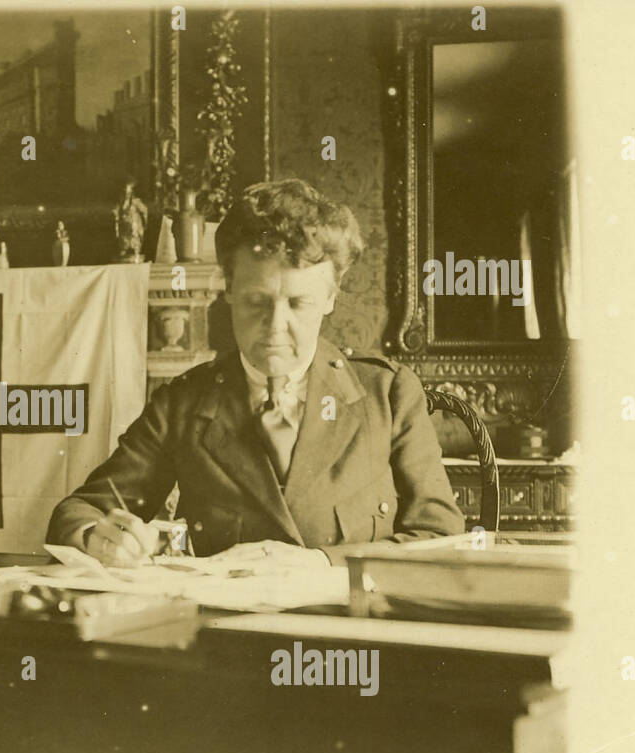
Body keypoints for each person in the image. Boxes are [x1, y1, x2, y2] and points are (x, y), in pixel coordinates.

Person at [47, 178, 464, 570]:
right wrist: (96, 537)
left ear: (330, 298)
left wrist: (320, 564)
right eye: (256, 302)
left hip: (355, 626)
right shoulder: (183, 403)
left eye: (298, 304)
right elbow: (80, 510)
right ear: (228, 288)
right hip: (231, 637)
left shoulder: (387, 395)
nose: (274, 327)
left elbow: (439, 538)